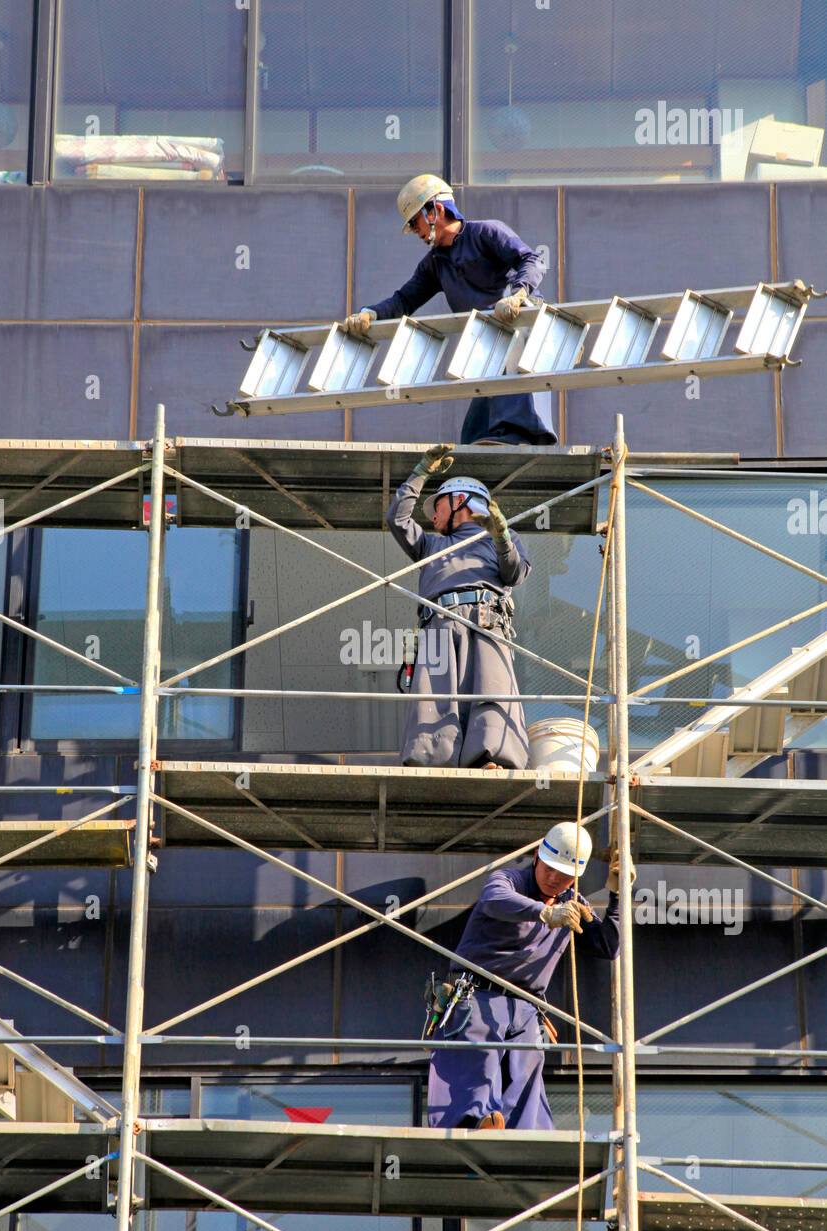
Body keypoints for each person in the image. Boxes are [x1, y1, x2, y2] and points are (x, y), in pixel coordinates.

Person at [426, 823, 625, 1130]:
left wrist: (617, 895)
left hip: (526, 1007)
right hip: (479, 996)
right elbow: (495, 900)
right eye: (549, 869)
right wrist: (543, 913)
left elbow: (607, 946)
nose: (555, 879)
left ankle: (524, 1135)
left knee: (526, 1073)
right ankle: (474, 1123)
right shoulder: (508, 881)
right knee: (478, 1063)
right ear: (536, 857)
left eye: (565, 875)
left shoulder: (572, 904)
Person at [343, 173, 556, 447]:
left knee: (512, 372)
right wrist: (369, 314)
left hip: (520, 323)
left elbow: (531, 259)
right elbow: (403, 301)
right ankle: (489, 440)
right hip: (489, 338)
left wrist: (519, 295)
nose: (416, 231)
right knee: (479, 421)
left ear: (437, 210)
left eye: (415, 222)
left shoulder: (486, 232)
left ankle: (520, 435)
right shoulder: (435, 264)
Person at [386, 443, 530, 769]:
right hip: (439, 624)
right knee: (434, 694)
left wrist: (502, 537)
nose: (433, 516)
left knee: (490, 688)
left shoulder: (500, 539)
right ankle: (430, 759)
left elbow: (516, 573)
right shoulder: (430, 544)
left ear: (459, 503)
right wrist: (421, 473)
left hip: (487, 622)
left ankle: (489, 757)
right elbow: (397, 518)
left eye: (437, 507)